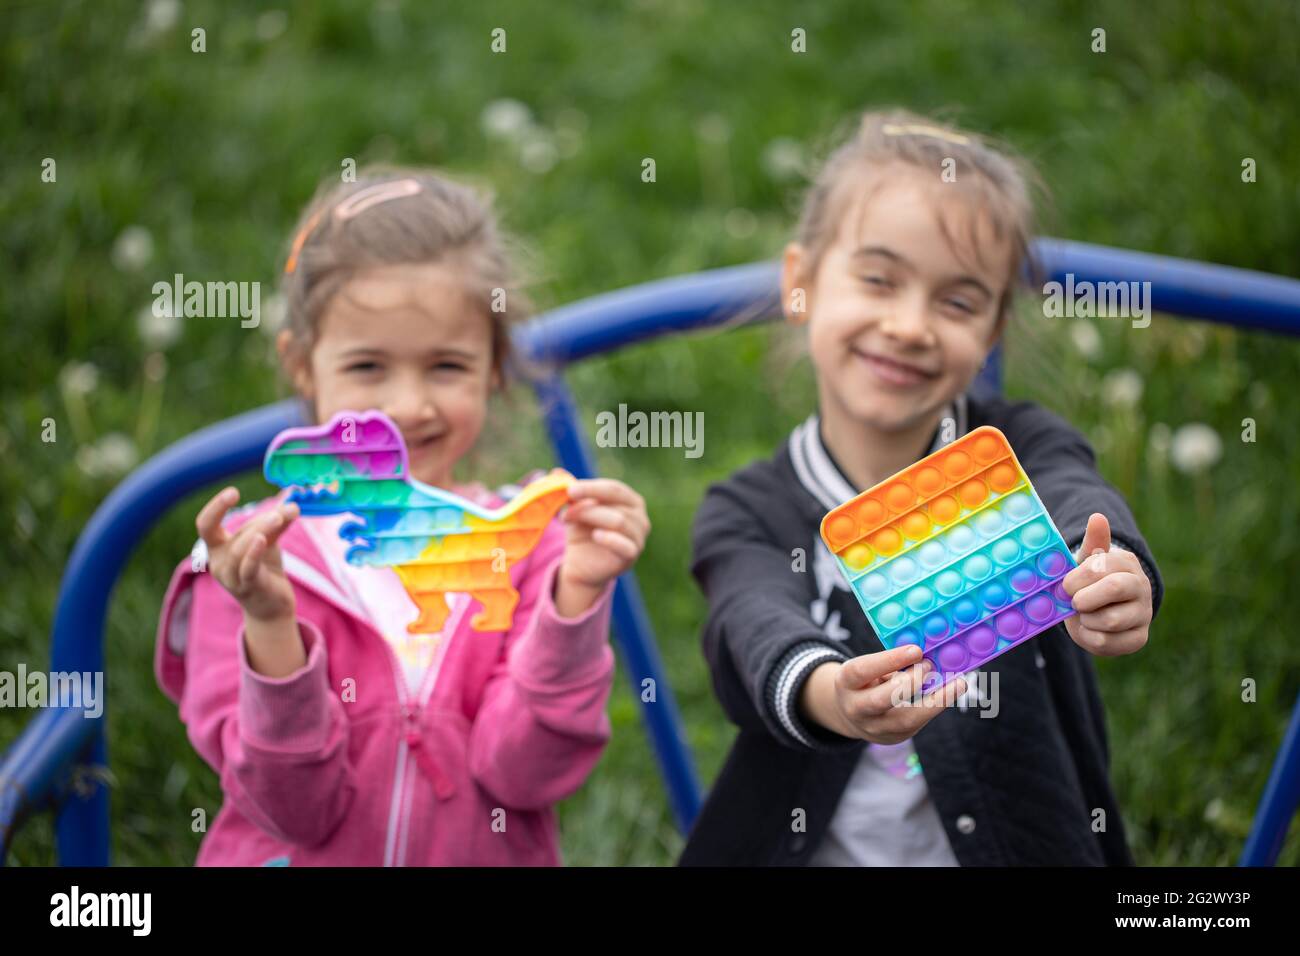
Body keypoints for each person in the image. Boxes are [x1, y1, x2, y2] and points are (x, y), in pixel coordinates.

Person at [679, 110, 1161, 866]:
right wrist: (831, 693)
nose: (909, 325)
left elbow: (1075, 494)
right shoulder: (747, 510)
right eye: (878, 280)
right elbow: (752, 625)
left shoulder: (1022, 450)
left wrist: (1108, 569)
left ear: (996, 326)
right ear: (801, 285)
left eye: (959, 301)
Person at [155, 168, 650, 866]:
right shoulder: (250, 565)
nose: (407, 405)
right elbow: (291, 808)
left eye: (446, 366)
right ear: (302, 366)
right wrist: (271, 626)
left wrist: (576, 596)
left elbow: (527, 773)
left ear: (495, 370)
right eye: (367, 367)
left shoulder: (531, 545)